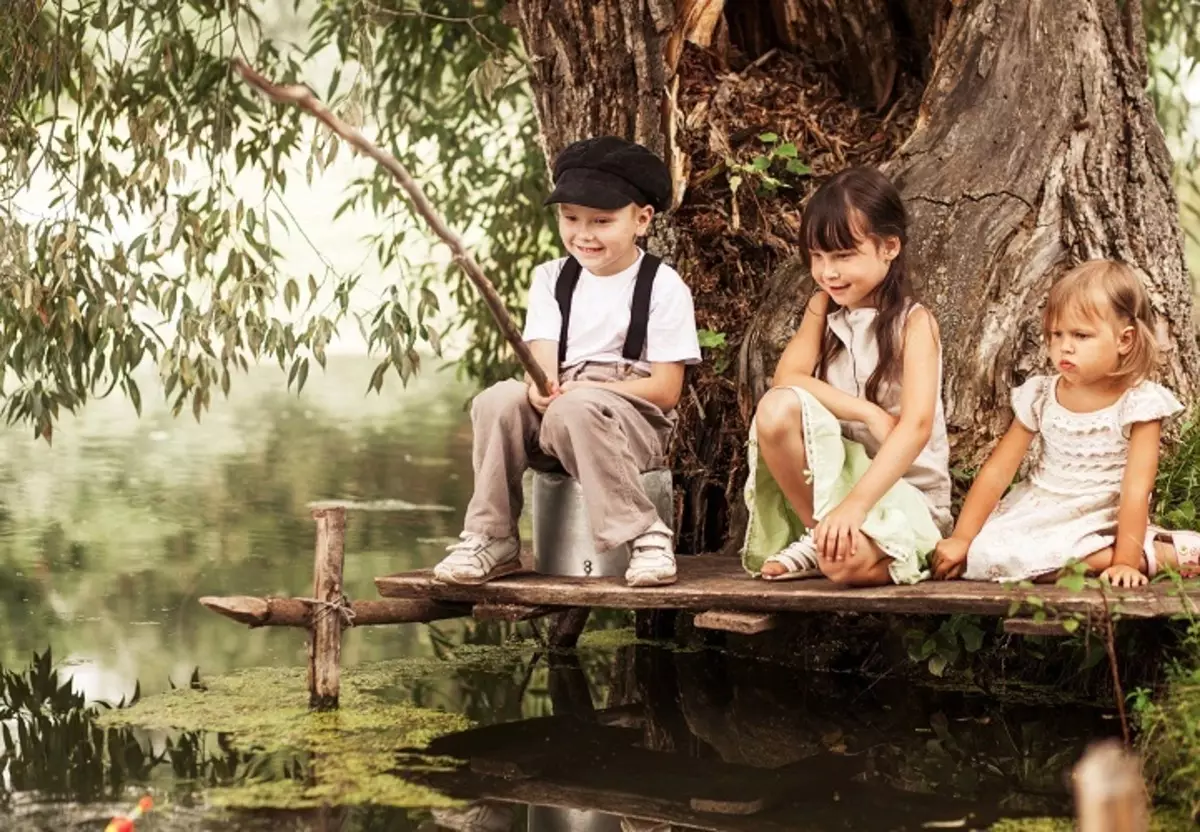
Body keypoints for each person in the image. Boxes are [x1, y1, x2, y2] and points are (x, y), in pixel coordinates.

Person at [432, 136, 701, 588]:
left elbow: (666, 390)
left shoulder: (662, 284)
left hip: (632, 419)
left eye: (602, 221)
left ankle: (645, 534)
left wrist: (591, 394)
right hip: (562, 411)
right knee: (497, 400)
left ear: (642, 220)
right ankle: (491, 537)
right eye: (570, 218)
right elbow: (541, 368)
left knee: (576, 407)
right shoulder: (552, 278)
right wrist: (541, 388)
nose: (583, 234)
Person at [741, 166, 952, 587]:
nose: (828, 272)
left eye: (842, 256)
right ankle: (821, 532)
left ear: (889, 247)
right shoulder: (822, 308)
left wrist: (856, 507)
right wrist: (867, 413)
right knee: (777, 407)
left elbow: (915, 428)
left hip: (904, 494)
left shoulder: (914, 323)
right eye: (817, 257)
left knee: (843, 568)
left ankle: (842, 544)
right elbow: (788, 377)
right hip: (835, 492)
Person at [932, 260, 1198, 587]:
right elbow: (998, 471)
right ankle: (1142, 555)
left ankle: (1142, 556)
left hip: (1101, 515)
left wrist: (1126, 564)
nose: (1064, 346)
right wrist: (962, 537)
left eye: (1081, 335)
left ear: (1124, 340)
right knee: (983, 555)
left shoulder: (1138, 404)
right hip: (1041, 508)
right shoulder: (1042, 395)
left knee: (1037, 560)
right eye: (1056, 334)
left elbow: (1136, 489)